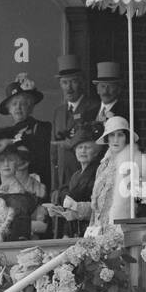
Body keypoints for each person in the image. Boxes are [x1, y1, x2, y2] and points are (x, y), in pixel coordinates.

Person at [50, 55, 101, 197]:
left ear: (82, 83)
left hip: (84, 180)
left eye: (73, 82)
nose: (69, 88)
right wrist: (54, 187)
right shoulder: (58, 112)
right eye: (65, 83)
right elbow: (53, 154)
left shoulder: (94, 108)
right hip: (61, 181)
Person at [81, 116, 140, 234]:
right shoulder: (103, 165)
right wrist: (77, 209)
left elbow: (134, 204)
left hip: (119, 230)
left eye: (120, 135)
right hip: (98, 230)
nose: (115, 140)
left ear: (127, 138)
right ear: (107, 138)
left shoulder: (132, 163)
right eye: (112, 135)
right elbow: (97, 207)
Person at [0, 75, 52, 186]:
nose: (18, 108)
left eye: (22, 104)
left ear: (30, 107)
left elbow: (41, 160)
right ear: (9, 109)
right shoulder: (2, 134)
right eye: (14, 104)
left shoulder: (41, 128)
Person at [0, 144, 49, 243]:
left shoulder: (30, 196)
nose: (6, 164)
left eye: (10, 160)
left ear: (17, 163)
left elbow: (43, 226)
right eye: (2, 160)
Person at [47, 125, 102, 237]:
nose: (83, 151)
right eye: (79, 148)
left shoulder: (99, 172)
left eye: (87, 147)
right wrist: (60, 211)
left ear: (96, 152)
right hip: (75, 229)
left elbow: (99, 206)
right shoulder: (75, 176)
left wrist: (76, 208)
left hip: (93, 229)